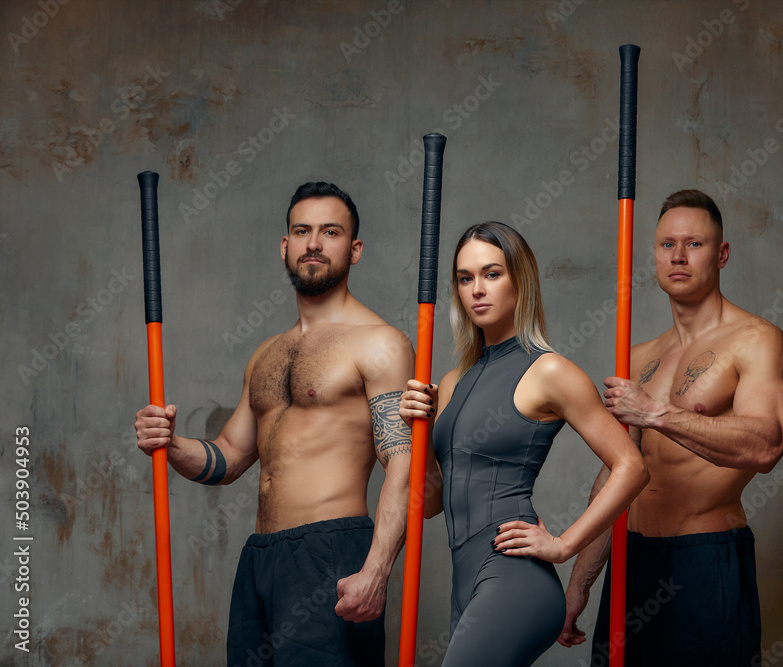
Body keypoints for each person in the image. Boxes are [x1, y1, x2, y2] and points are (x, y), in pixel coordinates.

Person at [134, 182, 414, 667]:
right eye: (302, 231)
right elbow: (229, 457)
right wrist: (171, 443)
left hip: (331, 550)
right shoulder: (266, 354)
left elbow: (403, 467)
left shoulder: (380, 343)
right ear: (285, 246)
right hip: (260, 557)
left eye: (331, 232)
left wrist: (376, 569)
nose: (314, 243)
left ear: (355, 249)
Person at [559, 189, 783, 666]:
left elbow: (766, 444)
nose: (679, 256)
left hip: (705, 559)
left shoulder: (758, 340)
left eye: (694, 244)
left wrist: (655, 414)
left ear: (722, 254)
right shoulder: (639, 357)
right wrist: (581, 582)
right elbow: (617, 475)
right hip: (632, 563)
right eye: (667, 245)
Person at [398, 221, 648, 666]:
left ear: (521, 280)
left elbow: (631, 465)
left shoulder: (549, 372)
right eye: (465, 278)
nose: (477, 289)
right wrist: (413, 430)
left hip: (513, 580)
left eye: (492, 274)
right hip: (465, 583)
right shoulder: (452, 383)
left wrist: (564, 545)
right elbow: (432, 501)